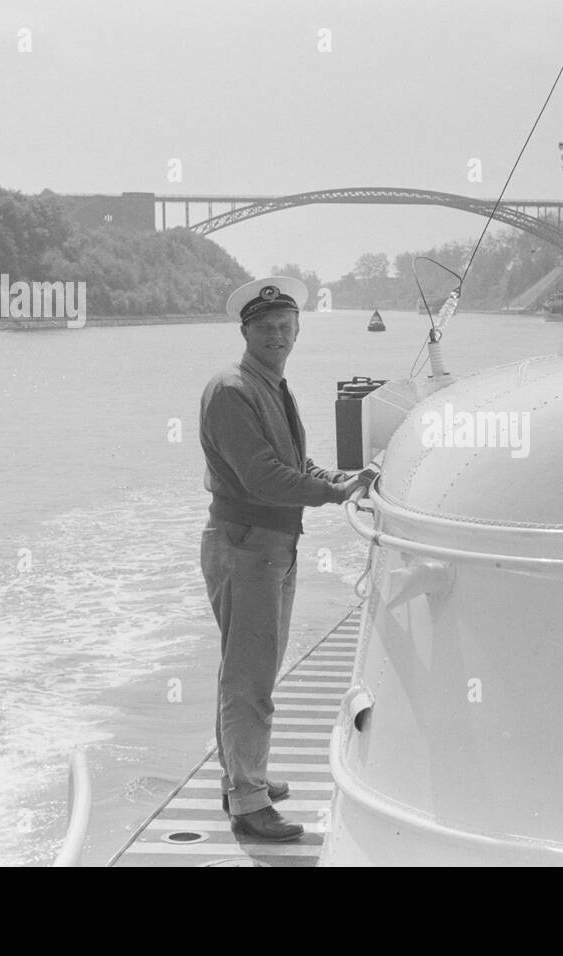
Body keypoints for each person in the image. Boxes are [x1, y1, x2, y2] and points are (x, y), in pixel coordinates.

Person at [199, 276, 375, 841]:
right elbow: (262, 477)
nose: (277, 335)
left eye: (285, 326)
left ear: (296, 329)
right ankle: (249, 804)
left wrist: (339, 478)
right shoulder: (233, 390)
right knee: (249, 679)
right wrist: (331, 492)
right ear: (245, 331)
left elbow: (293, 464)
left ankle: (242, 777)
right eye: (265, 327)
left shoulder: (271, 385)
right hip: (247, 545)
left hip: (271, 544)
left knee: (250, 671)